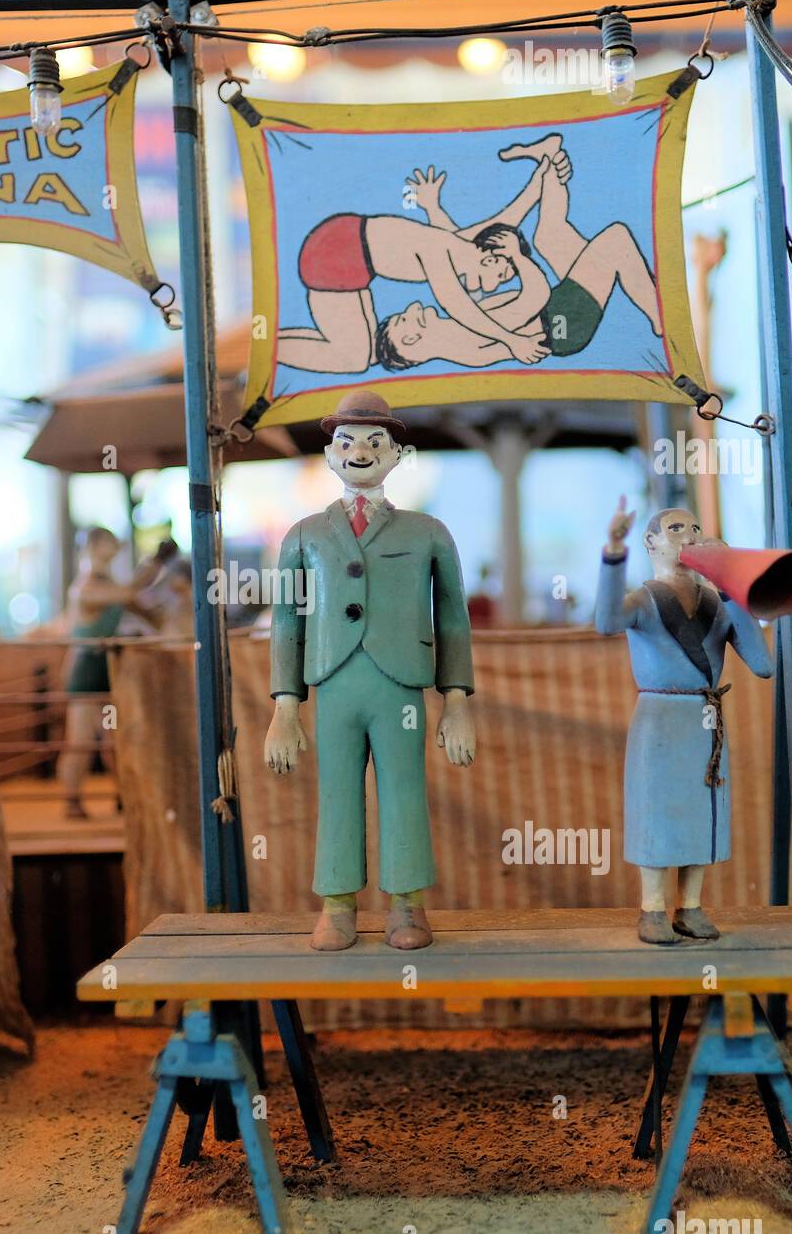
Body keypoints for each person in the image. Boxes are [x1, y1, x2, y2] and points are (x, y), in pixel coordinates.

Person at [265, 390, 477, 952]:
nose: (360, 451)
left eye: (374, 441)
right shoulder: (304, 535)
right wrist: (285, 708)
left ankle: (407, 905)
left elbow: (454, 619)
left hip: (400, 686)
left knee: (404, 791)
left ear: (397, 454)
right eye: (346, 442)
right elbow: (286, 623)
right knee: (336, 793)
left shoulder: (427, 532)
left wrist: (457, 701)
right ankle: (337, 905)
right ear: (331, 455)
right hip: (334, 684)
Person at [595, 500, 773, 945]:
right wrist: (612, 553)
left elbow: (763, 663)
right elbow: (605, 620)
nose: (690, 535)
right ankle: (652, 908)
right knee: (655, 811)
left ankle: (690, 906)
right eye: (676, 528)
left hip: (705, 718)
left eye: (695, 527)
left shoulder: (718, 603)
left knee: (703, 810)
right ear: (651, 542)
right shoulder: (643, 600)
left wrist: (731, 585)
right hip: (659, 721)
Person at [381, 133, 664, 370]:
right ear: (411, 340)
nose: (412, 308)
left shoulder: (455, 330)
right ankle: (660, 317)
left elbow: (455, 255)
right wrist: (518, 256)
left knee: (548, 236)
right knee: (615, 241)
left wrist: (433, 209)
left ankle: (549, 158)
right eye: (404, 319)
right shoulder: (464, 336)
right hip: (563, 323)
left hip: (555, 313)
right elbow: (536, 296)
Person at [276, 151, 555, 376]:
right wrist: (511, 340)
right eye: (501, 274)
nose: (494, 284)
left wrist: (540, 179)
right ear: (487, 256)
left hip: (345, 250)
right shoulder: (442, 253)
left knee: (367, 348)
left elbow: (505, 220)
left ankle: (272, 344)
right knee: (356, 360)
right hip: (335, 255)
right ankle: (270, 352)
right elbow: (459, 307)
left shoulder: (458, 246)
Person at [57, 528, 167, 818]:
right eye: (107, 542)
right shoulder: (85, 587)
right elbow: (128, 593)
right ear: (94, 546)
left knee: (114, 738)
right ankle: (72, 799)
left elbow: (139, 604)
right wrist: (154, 564)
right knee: (81, 739)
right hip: (87, 667)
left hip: (108, 666)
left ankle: (124, 796)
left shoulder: (109, 584)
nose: (114, 547)